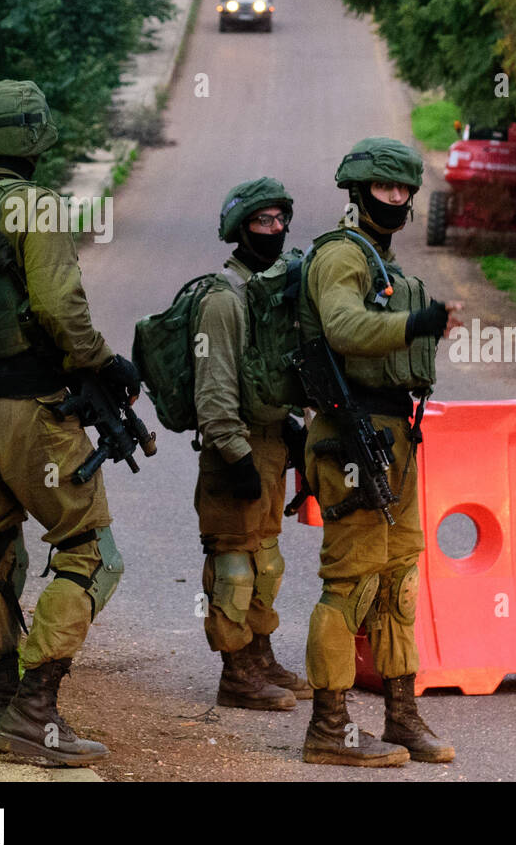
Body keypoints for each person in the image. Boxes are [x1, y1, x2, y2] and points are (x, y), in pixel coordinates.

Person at [0, 80, 138, 765]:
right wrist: (106, 363)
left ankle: (1, 707)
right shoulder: (34, 206)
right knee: (89, 551)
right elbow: (59, 308)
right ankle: (36, 708)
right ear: (33, 139)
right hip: (28, 414)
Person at [299, 137, 462, 766]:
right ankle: (330, 726)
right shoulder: (341, 257)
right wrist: (412, 325)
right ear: (358, 190)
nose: (395, 200)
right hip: (350, 436)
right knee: (351, 583)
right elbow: (342, 327)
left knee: (399, 581)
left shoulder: (384, 260)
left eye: (403, 191)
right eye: (384, 189)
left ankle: (401, 715)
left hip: (396, 435)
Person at [194, 178, 311, 710]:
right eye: (263, 221)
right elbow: (215, 385)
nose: (276, 230)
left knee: (267, 560)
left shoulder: (271, 293)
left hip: (268, 440)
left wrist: (289, 423)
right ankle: (235, 673)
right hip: (233, 446)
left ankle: (260, 657)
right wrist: (233, 451)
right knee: (233, 565)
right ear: (239, 227)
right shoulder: (224, 296)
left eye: (280, 220)